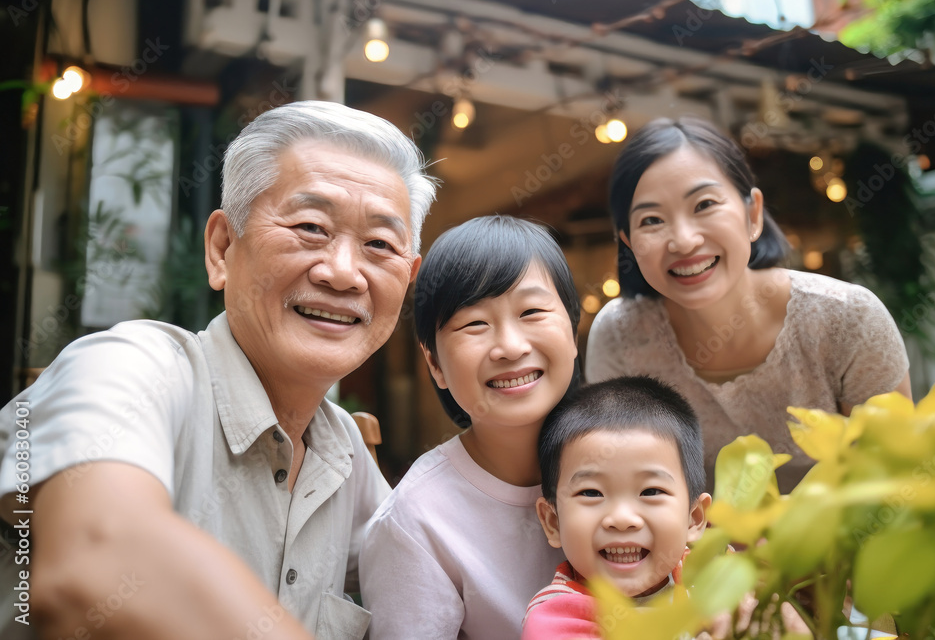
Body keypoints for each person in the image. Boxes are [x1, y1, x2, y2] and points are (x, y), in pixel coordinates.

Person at [0, 101, 436, 640]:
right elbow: (94, 564)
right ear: (222, 248)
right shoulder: (131, 367)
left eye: (380, 245)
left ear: (408, 277)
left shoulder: (341, 446)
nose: (344, 273)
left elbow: (436, 573)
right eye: (311, 227)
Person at [586, 117, 911, 492]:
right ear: (628, 243)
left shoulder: (848, 319)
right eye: (652, 220)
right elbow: (624, 487)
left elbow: (896, 480)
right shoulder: (620, 336)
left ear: (753, 214)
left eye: (704, 204)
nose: (684, 241)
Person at [360, 215, 581, 639]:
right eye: (475, 323)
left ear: (572, 331)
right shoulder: (416, 521)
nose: (510, 347)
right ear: (434, 364)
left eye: (532, 312)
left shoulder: (628, 455)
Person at [523, 375, 711, 639]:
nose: (622, 519)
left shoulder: (714, 575)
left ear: (694, 518)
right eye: (591, 493)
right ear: (553, 522)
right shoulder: (555, 619)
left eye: (651, 492)